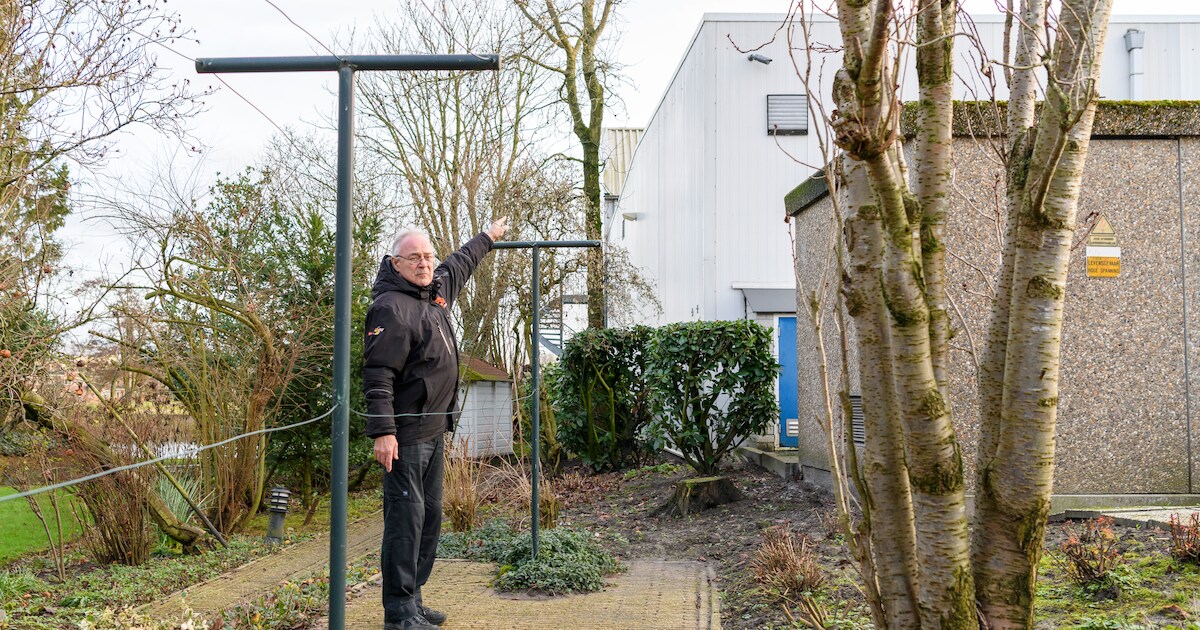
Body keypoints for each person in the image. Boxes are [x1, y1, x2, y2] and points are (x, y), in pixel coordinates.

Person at [362, 218, 508, 630]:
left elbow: (461, 262)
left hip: (433, 431)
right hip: (405, 437)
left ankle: (415, 599)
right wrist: (384, 432)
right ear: (396, 262)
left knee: (429, 518)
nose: (425, 263)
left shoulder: (435, 293)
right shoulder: (390, 307)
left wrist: (489, 237)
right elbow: (378, 375)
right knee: (405, 523)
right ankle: (399, 614)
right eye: (415, 258)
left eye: (428, 256)